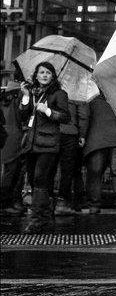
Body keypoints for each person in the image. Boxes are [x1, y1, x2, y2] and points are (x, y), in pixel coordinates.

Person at [17, 62, 70, 233]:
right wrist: (25, 96)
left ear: (53, 76)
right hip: (31, 144)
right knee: (34, 181)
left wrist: (48, 111)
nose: (44, 75)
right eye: (41, 72)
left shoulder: (59, 94)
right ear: (36, 75)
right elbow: (23, 116)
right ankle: (46, 217)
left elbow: (65, 117)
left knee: (40, 179)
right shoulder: (32, 93)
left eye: (48, 72)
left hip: (48, 145)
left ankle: (37, 220)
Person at [81, 90, 116, 214]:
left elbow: (85, 119)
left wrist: (82, 136)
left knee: (94, 174)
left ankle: (94, 205)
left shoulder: (91, 102)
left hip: (96, 141)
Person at [52, 97, 88, 215]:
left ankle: (47, 201)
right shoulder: (78, 93)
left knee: (49, 167)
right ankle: (62, 203)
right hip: (70, 133)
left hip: (51, 132)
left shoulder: (51, 91)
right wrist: (82, 135)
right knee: (67, 170)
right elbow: (83, 115)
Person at [1, 82, 27, 211]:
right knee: (15, 172)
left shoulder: (5, 94)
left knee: (8, 171)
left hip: (6, 137)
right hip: (18, 137)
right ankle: (7, 203)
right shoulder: (21, 94)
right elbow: (23, 117)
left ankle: (6, 202)